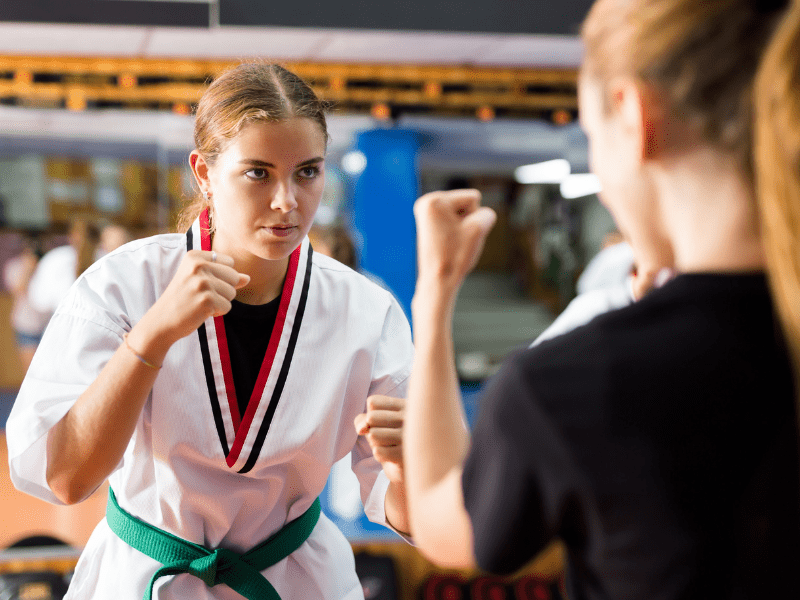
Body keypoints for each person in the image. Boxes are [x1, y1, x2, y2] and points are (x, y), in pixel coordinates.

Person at [399, 1, 800, 599]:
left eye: (590, 135)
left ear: (635, 117)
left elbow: (441, 523)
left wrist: (433, 296)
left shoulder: (580, 383)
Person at [7, 63, 413, 600]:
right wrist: (151, 337)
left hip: (297, 579)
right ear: (204, 173)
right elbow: (66, 477)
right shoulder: (124, 287)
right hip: (149, 575)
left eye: (308, 172)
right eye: (258, 173)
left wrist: (407, 467)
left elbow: (406, 509)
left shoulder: (367, 311)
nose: (287, 201)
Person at [26, 218, 101, 322]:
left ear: (71, 236)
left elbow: (40, 301)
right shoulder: (106, 259)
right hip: (97, 325)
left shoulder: (56, 258)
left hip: (62, 322)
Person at [2, 231, 49, 372]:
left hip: (48, 323)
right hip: (26, 325)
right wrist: (28, 269)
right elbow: (18, 290)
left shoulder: (49, 265)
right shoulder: (15, 266)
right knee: (31, 372)